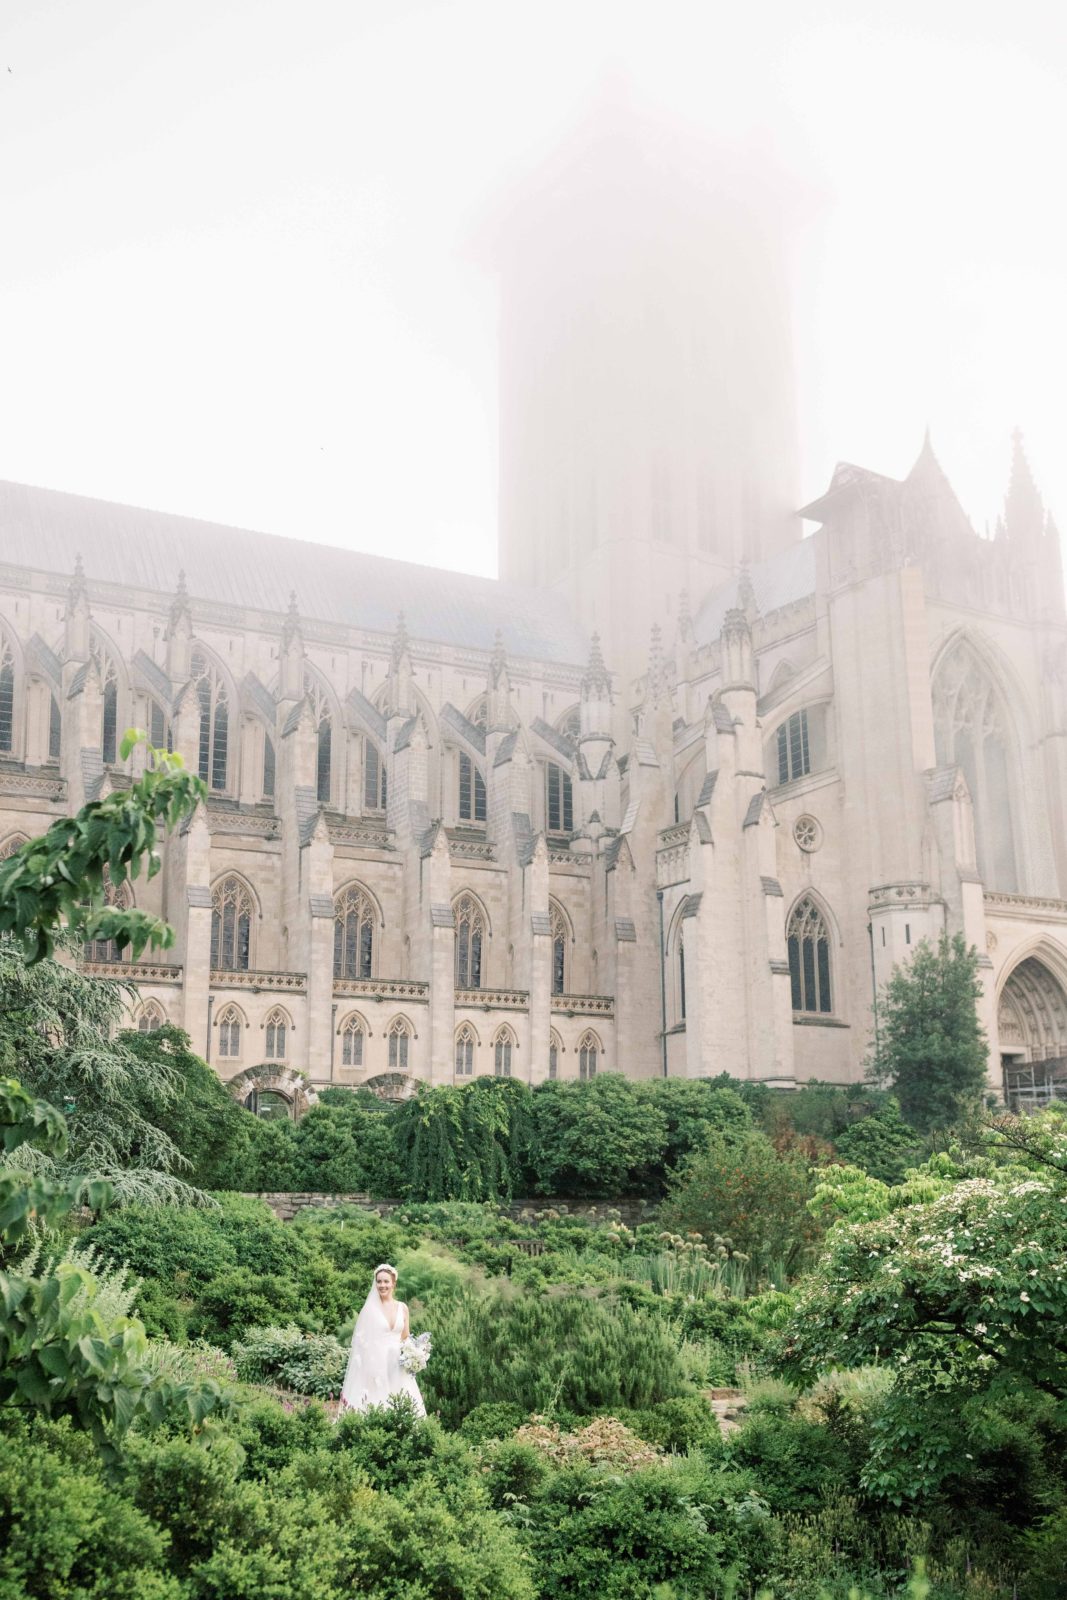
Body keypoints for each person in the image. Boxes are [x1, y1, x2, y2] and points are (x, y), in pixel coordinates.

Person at [339, 1262, 426, 1416]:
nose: (382, 1285)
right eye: (379, 1281)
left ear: (393, 1283)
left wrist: (414, 1355)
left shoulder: (402, 1308)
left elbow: (405, 1338)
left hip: (398, 1366)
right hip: (377, 1365)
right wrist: (369, 1368)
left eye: (386, 1281)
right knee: (378, 1403)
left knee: (403, 1403)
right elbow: (362, 1342)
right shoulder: (370, 1310)